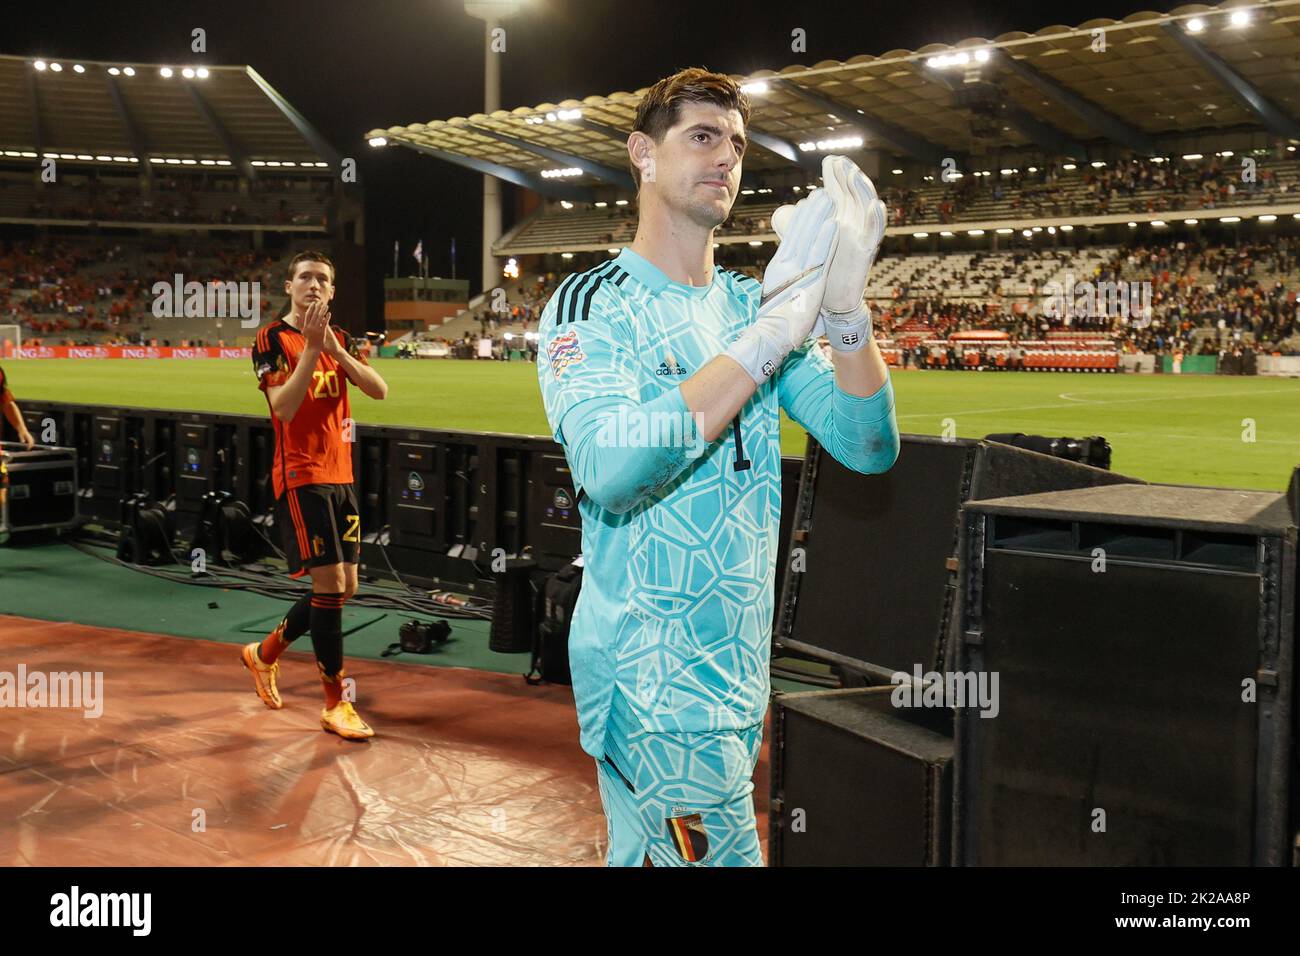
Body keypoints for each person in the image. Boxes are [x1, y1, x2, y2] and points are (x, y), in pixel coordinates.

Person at [536, 68, 898, 867]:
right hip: (648, 679)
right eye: (701, 136)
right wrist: (767, 338)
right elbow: (611, 468)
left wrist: (843, 316)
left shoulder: (749, 300)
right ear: (642, 153)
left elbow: (867, 446)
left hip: (734, 672)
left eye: (735, 143)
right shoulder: (592, 302)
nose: (725, 158)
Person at [241, 251, 389, 740]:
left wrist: (334, 348)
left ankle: (262, 655)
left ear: (331, 291)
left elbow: (379, 390)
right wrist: (309, 348)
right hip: (300, 475)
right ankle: (334, 704)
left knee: (344, 588)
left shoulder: (341, 338)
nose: (313, 285)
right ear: (289, 285)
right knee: (328, 589)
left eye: (322, 279)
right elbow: (282, 407)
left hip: (341, 477)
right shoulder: (270, 338)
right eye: (304, 277)